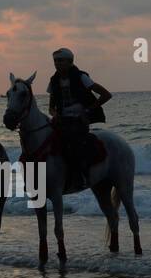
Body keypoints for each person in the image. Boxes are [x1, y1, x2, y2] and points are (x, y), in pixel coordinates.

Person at [45, 48, 111, 188]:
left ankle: (82, 175)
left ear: (70, 62)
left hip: (79, 120)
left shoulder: (81, 77)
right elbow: (51, 107)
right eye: (55, 61)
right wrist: (55, 114)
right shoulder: (54, 81)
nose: (57, 63)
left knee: (74, 144)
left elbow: (106, 94)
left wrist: (87, 111)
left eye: (61, 60)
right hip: (62, 119)